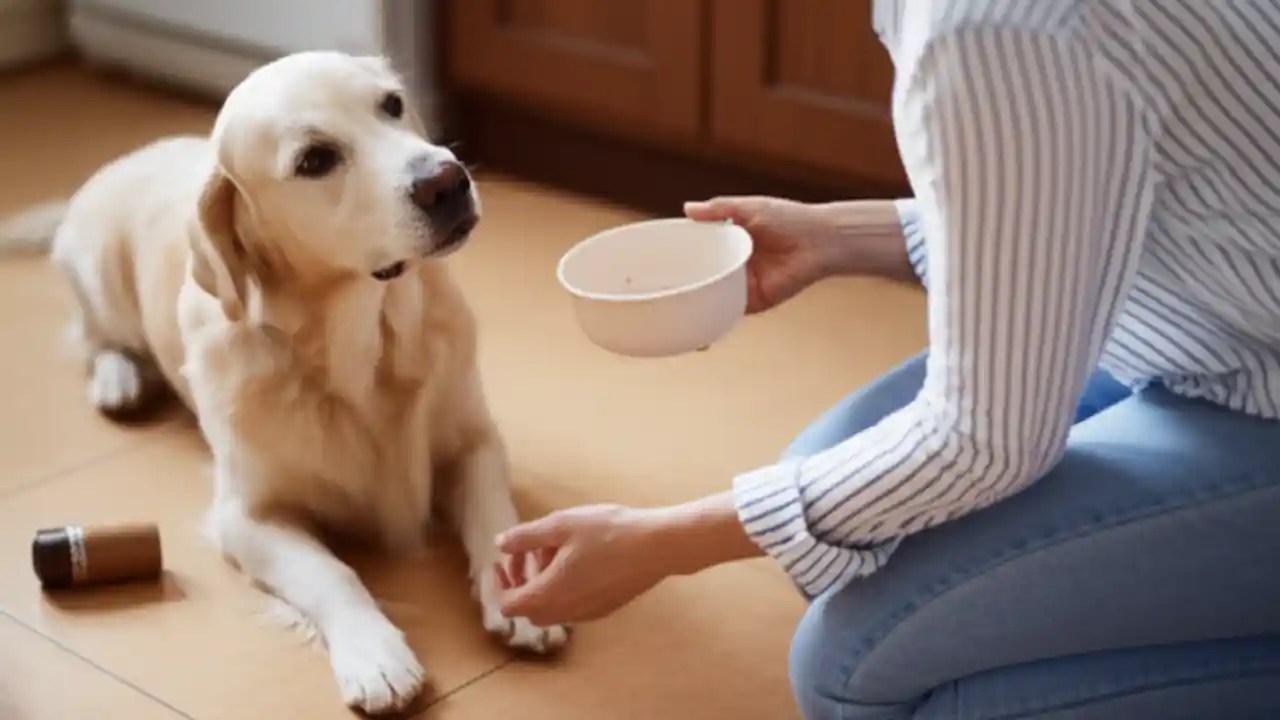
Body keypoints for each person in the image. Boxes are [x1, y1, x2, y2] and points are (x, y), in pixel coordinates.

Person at [495, 2, 1280, 718]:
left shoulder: (989, 26)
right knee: (840, 517)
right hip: (1195, 320)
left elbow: (985, 441)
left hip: (1249, 381)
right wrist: (839, 235)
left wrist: (659, 542)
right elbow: (1066, 181)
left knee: (849, 672)